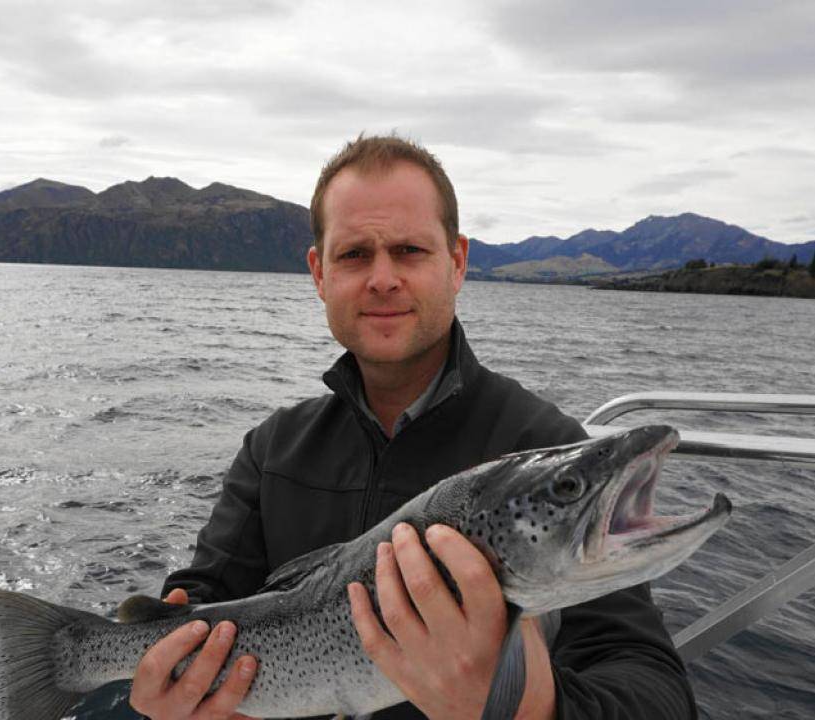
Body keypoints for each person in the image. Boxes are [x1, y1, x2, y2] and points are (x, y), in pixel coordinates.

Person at [128, 135, 696, 719]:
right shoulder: (273, 446)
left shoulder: (543, 444)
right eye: (354, 255)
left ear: (456, 262)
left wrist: (526, 708)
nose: (382, 278)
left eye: (408, 251)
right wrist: (170, 686)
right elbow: (203, 598)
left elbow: (655, 691)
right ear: (319, 273)